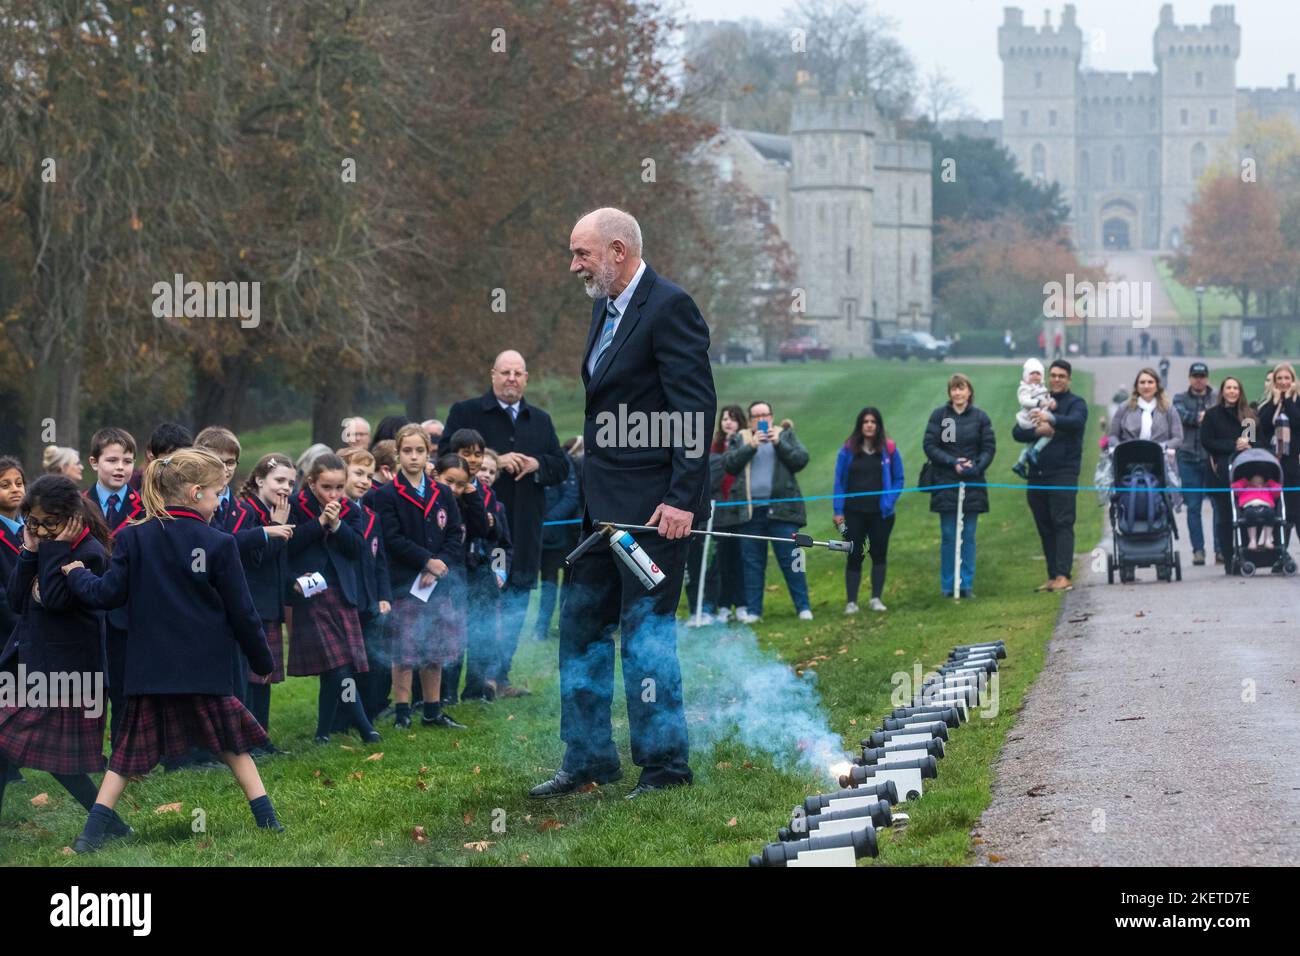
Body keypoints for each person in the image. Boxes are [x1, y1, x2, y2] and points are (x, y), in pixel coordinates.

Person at [529, 206, 715, 800]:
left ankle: (664, 768)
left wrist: (683, 497)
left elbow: (694, 410)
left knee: (645, 637)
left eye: (581, 253)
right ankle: (587, 758)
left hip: (654, 516)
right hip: (597, 512)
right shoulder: (602, 306)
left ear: (617, 250)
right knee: (580, 629)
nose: (573, 264)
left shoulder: (669, 307)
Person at [60, 448, 281, 853]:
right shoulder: (218, 543)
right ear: (197, 493)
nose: (220, 502)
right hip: (205, 670)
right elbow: (243, 613)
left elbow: (106, 595)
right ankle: (269, 821)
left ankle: (89, 837)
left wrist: (77, 576)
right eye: (217, 494)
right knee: (233, 746)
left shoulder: (131, 537)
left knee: (123, 758)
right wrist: (262, 660)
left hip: (151, 671)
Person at [0, 476, 128, 835]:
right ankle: (115, 828)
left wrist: (54, 548)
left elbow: (55, 601)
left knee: (39, 755)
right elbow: (15, 600)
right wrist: (28, 551)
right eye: (33, 522)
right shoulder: (41, 544)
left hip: (68, 676)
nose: (38, 530)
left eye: (47, 523)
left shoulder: (88, 553)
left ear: (71, 518)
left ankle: (114, 827)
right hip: (35, 668)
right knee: (58, 762)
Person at [440, 350, 568, 698]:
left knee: (514, 602)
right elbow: (443, 460)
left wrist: (536, 463)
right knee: (474, 607)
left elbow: (561, 466)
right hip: (477, 532)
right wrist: (495, 458)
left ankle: (499, 677)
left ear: (526, 378)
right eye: (505, 372)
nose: (512, 378)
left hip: (522, 531)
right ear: (492, 375)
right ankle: (458, 684)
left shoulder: (539, 420)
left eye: (518, 373)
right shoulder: (465, 412)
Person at [372, 424, 466, 730]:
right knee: (405, 650)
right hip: (405, 583)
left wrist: (439, 565)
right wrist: (425, 561)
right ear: (398, 454)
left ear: (429, 453)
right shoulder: (386, 495)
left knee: (434, 648)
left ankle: (432, 710)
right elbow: (392, 538)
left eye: (420, 451)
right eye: (407, 451)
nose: (414, 457)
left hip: (436, 584)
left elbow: (454, 533)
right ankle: (402, 712)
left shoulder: (442, 492)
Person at [286, 452, 380, 744]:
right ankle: (366, 728)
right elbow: (290, 546)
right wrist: (319, 523)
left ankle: (322, 733)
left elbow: (357, 549)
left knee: (336, 668)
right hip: (311, 595)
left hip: (341, 593)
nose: (334, 494)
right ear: (312, 483)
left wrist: (337, 525)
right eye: (327, 487)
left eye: (339, 487)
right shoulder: (295, 506)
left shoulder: (350, 510)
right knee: (339, 665)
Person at [722, 400, 813, 622]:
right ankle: (754, 612)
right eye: (756, 416)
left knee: (792, 559)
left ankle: (803, 608)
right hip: (751, 513)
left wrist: (778, 443)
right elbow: (729, 464)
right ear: (750, 419)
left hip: (782, 511)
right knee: (752, 563)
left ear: (772, 416)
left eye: (765, 415)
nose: (762, 420)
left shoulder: (785, 435)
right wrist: (752, 445)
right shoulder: (741, 438)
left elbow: (801, 460)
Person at [233, 454, 297, 754]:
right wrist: (275, 527)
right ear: (260, 480)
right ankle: (249, 742)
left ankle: (263, 739)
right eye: (279, 480)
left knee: (264, 677)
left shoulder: (275, 511)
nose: (286, 488)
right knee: (250, 679)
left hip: (269, 603)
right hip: (252, 604)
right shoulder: (248, 511)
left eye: (291, 483)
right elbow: (257, 560)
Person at [81, 427, 141, 738]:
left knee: (123, 687)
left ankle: (123, 755)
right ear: (94, 462)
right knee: (89, 688)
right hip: (87, 608)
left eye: (128, 461)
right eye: (112, 460)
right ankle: (87, 757)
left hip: (128, 609)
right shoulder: (78, 505)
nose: (120, 468)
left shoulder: (145, 506)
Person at [1013, 360, 1087, 592]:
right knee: (1044, 526)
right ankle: (1052, 576)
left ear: (1069, 379)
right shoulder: (1040, 398)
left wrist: (1051, 419)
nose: (1056, 379)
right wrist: (1037, 430)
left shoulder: (1076, 403)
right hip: (1038, 474)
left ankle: (1063, 574)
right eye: (1053, 375)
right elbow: (1017, 431)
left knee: (1062, 522)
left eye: (1061, 376)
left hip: (1063, 473)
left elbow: (1075, 422)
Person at [924, 374, 996, 598]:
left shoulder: (980, 417)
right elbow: (930, 445)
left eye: (961, 388)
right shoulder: (940, 416)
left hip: (972, 484)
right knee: (948, 534)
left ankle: (966, 583)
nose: (957, 393)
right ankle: (948, 585)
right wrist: (951, 462)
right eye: (954, 389)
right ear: (949, 393)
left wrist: (975, 466)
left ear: (969, 392)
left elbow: (988, 447)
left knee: (969, 534)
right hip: (946, 483)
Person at [437, 432, 494, 703]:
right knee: (447, 633)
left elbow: (483, 529)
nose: (472, 459)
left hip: (474, 570)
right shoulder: (443, 487)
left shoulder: (478, 490)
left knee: (474, 631)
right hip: (447, 569)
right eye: (466, 453)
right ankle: (443, 693)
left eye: (477, 454)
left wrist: (472, 495)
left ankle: (474, 688)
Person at [337, 446, 394, 723]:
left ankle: (372, 709)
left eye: (369, 477)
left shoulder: (372, 516)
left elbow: (380, 561)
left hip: (371, 599)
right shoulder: (334, 512)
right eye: (358, 473)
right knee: (346, 662)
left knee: (372, 657)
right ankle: (344, 715)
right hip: (344, 599)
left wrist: (384, 595)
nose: (364, 481)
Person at [832, 407, 903, 613]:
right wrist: (838, 511)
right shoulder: (847, 450)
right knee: (854, 554)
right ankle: (851, 602)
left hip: (881, 513)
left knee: (879, 553)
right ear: (860, 425)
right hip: (853, 512)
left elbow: (899, 479)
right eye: (865, 421)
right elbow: (839, 481)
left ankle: (876, 599)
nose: (869, 425)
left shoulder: (889, 449)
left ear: (879, 425)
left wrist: (889, 500)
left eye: (873, 421)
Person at [1201, 377, 1259, 574]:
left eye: (1235, 388)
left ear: (1240, 391)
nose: (1232, 391)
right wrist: (1232, 444)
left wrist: (1246, 445)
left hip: (1244, 473)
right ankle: (1227, 558)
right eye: (1229, 388)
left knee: (1245, 515)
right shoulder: (1212, 415)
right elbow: (1207, 441)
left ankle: (1246, 554)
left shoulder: (1248, 416)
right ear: (1223, 391)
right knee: (1225, 518)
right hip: (1220, 472)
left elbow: (1251, 443)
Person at [703, 406, 748, 623]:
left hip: (740, 513)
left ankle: (741, 604)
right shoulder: (715, 448)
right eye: (724, 419)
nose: (728, 422)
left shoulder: (746, 443)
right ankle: (723, 604)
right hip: (720, 513)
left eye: (732, 419)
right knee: (721, 562)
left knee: (740, 560)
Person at [1172, 363, 1220, 565]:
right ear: (1190, 378)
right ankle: (1198, 550)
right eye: (1195, 376)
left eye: (1202, 376)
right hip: (1188, 457)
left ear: (1207, 377)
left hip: (1212, 458)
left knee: (1219, 505)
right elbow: (1181, 416)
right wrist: (1204, 417)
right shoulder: (1180, 398)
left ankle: (1220, 549)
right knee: (1193, 507)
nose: (1199, 379)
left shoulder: (1216, 397)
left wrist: (1205, 418)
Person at [535, 437, 582, 639]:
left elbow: (571, 496)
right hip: (547, 540)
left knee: (570, 583)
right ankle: (541, 628)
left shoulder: (562, 459)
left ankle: (567, 625)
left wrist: (549, 519)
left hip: (569, 534)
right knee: (548, 584)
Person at [1254, 362, 1300, 558]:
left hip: (1294, 460)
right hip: (1273, 460)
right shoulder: (1265, 403)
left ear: (1293, 380)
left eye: (1286, 378)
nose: (1283, 382)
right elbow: (1259, 426)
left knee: (1295, 509)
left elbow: (1297, 422)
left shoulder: (1297, 401)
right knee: (1277, 508)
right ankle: (1280, 553)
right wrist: (1275, 401)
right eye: (1279, 379)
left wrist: (1287, 400)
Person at [1012, 358, 1052, 479]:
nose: (1035, 376)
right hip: (1029, 418)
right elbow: (1024, 401)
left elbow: (1047, 400)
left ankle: (1020, 463)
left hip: (1036, 416)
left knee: (1030, 441)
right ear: (1026, 376)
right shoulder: (1024, 388)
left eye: (1038, 373)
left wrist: (1050, 403)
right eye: (1032, 373)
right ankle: (1035, 451)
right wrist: (1039, 403)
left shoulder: (1043, 389)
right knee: (1049, 434)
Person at [1231, 473, 1281, 550]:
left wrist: (1270, 482)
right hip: (1250, 506)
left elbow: (1278, 491)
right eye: (1255, 482)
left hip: (1265, 506)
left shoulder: (1267, 488)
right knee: (1250, 515)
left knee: (1271, 514)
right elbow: (1234, 488)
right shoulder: (1246, 488)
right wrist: (1244, 481)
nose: (1258, 484)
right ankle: (1252, 540)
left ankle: (1267, 540)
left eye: (1260, 482)